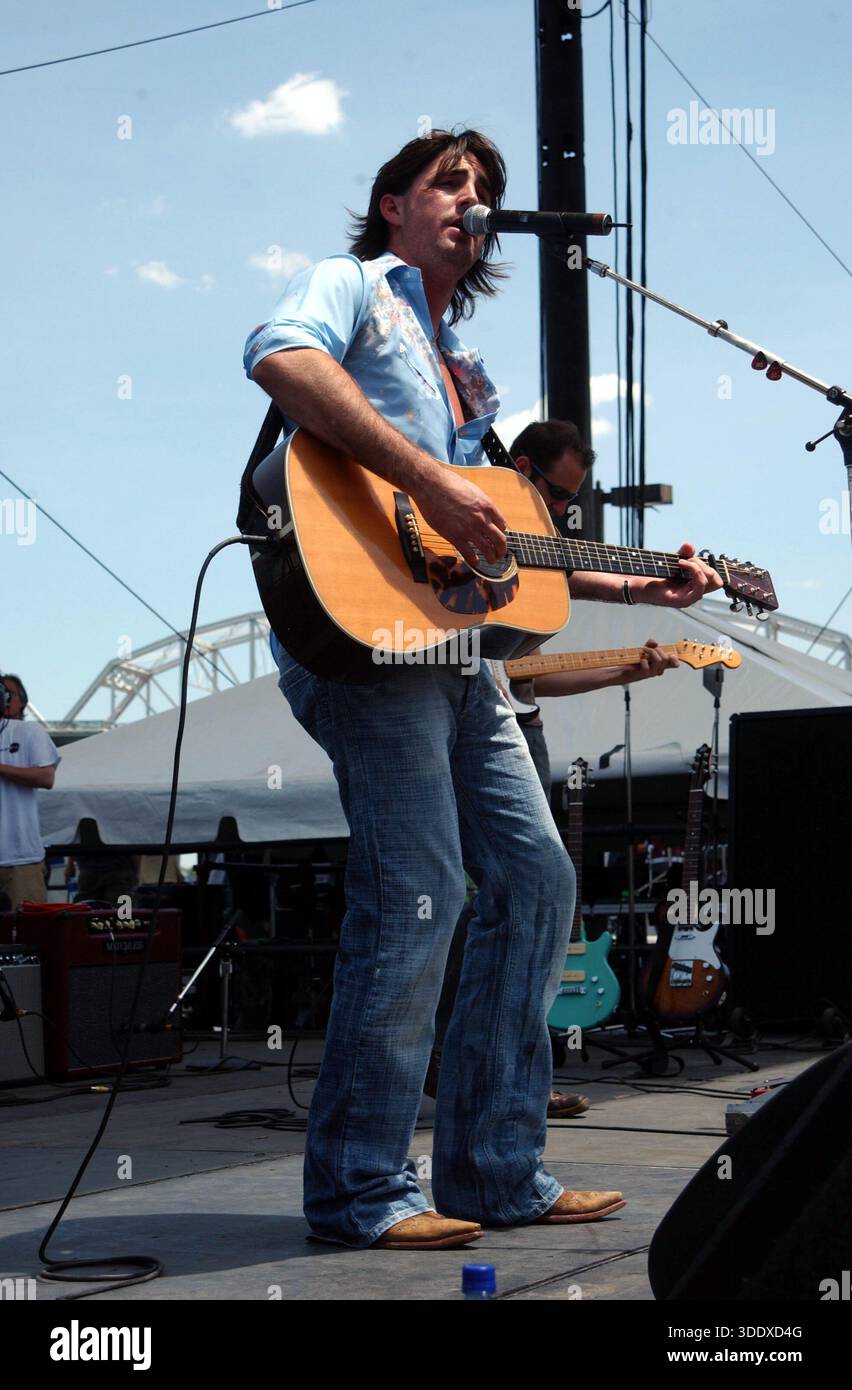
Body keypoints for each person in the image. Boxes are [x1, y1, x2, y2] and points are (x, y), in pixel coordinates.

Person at [242, 128, 722, 1251]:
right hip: (365, 654)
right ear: (395, 204)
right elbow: (280, 358)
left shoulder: (462, 370)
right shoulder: (356, 286)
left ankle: (497, 1169)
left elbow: (498, 551)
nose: (473, 199)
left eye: (487, 188)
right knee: (421, 894)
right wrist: (432, 484)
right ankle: (361, 1187)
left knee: (538, 882)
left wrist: (646, 583)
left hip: (457, 660)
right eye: (450, 182)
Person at [428, 420, 681, 1119]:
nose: (567, 508)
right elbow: (563, 574)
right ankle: (459, 1065)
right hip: (458, 713)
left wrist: (625, 661)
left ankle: (509, 1078)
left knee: (533, 893)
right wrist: (644, 587)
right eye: (560, 493)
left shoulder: (538, 560)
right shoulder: (477, 527)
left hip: (514, 725)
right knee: (473, 896)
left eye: (575, 499)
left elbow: (530, 674)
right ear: (522, 468)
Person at [0, 674, 61, 911]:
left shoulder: (29, 732)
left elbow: (46, 777)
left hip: (21, 860)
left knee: (30, 938)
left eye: (8, 692)